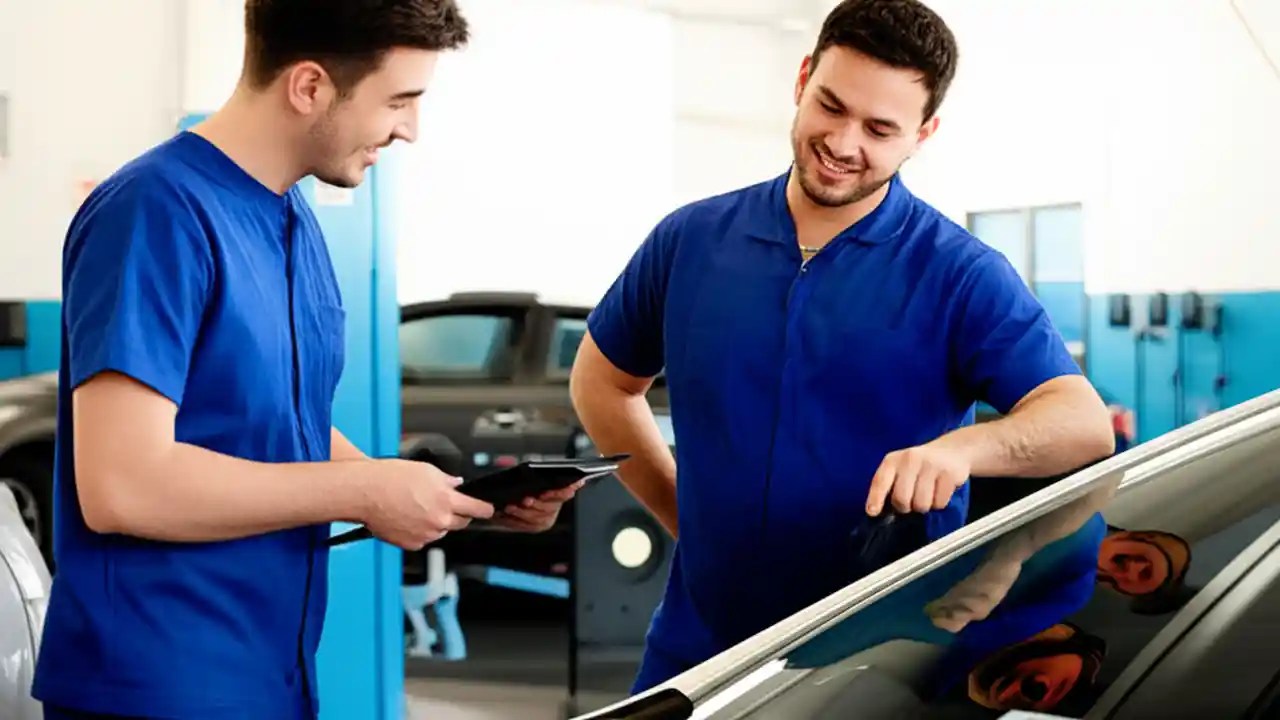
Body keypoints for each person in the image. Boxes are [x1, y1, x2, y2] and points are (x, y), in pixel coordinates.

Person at [33, 1, 581, 718]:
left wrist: (447, 500)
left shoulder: (296, 221)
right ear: (310, 87)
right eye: (399, 100)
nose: (410, 129)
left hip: (273, 674)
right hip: (159, 684)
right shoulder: (155, 212)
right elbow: (123, 485)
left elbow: (279, 427)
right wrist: (362, 494)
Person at [569, 0, 1117, 693]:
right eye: (831, 106)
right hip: (697, 651)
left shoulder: (959, 274)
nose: (844, 141)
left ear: (924, 133)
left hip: (879, 658)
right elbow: (602, 383)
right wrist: (683, 515)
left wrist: (961, 449)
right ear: (803, 79)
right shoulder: (690, 242)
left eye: (880, 129)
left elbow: (1081, 424)